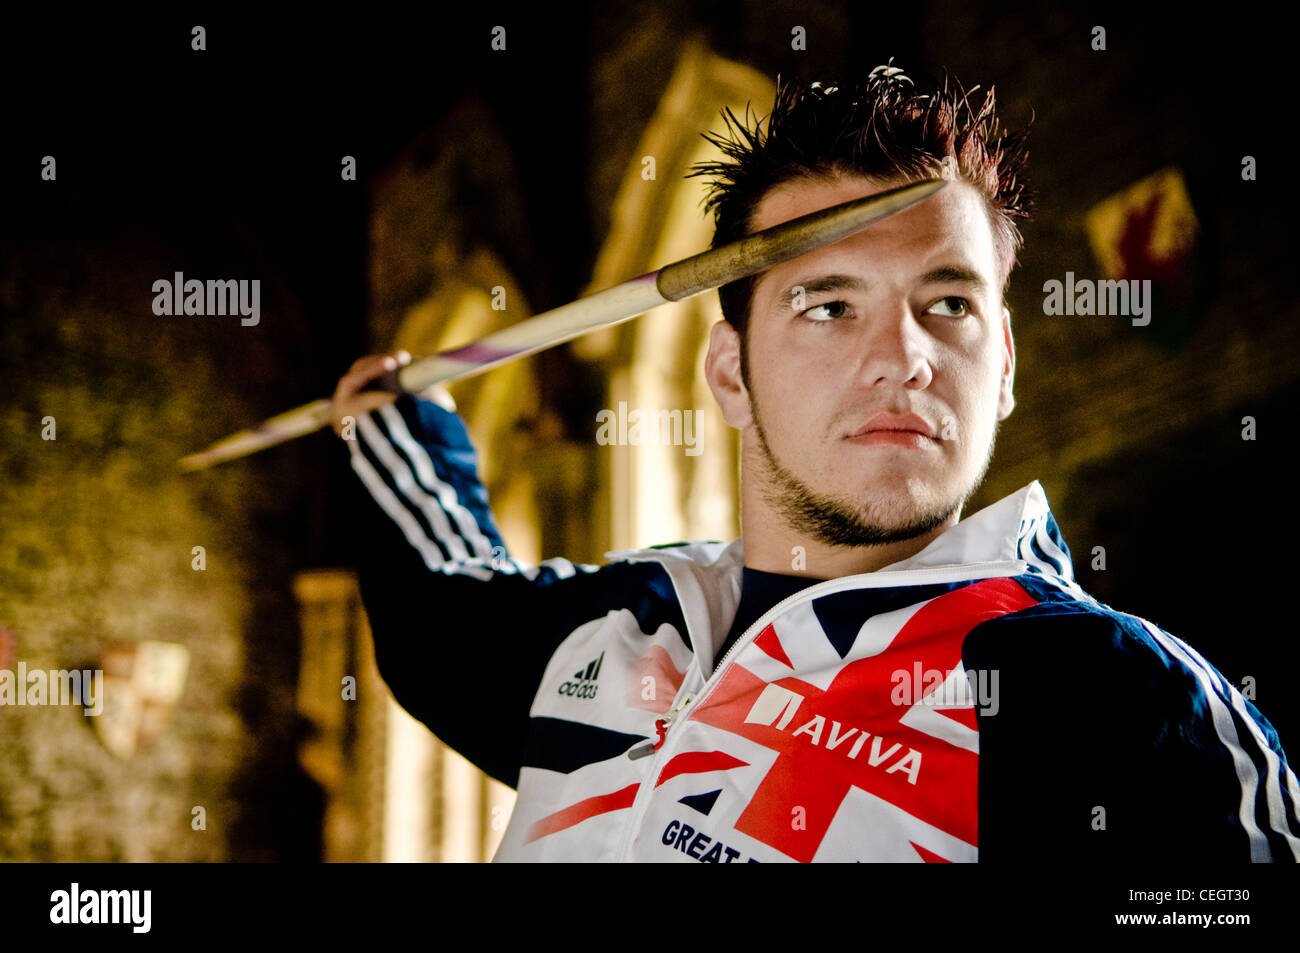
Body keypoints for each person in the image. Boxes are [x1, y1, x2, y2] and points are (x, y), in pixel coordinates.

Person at [331, 64, 1299, 862]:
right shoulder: (619, 625)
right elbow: (437, 614)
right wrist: (397, 426)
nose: (905, 356)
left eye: (949, 303)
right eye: (830, 305)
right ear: (730, 373)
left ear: (1002, 363)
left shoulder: (1112, 700)